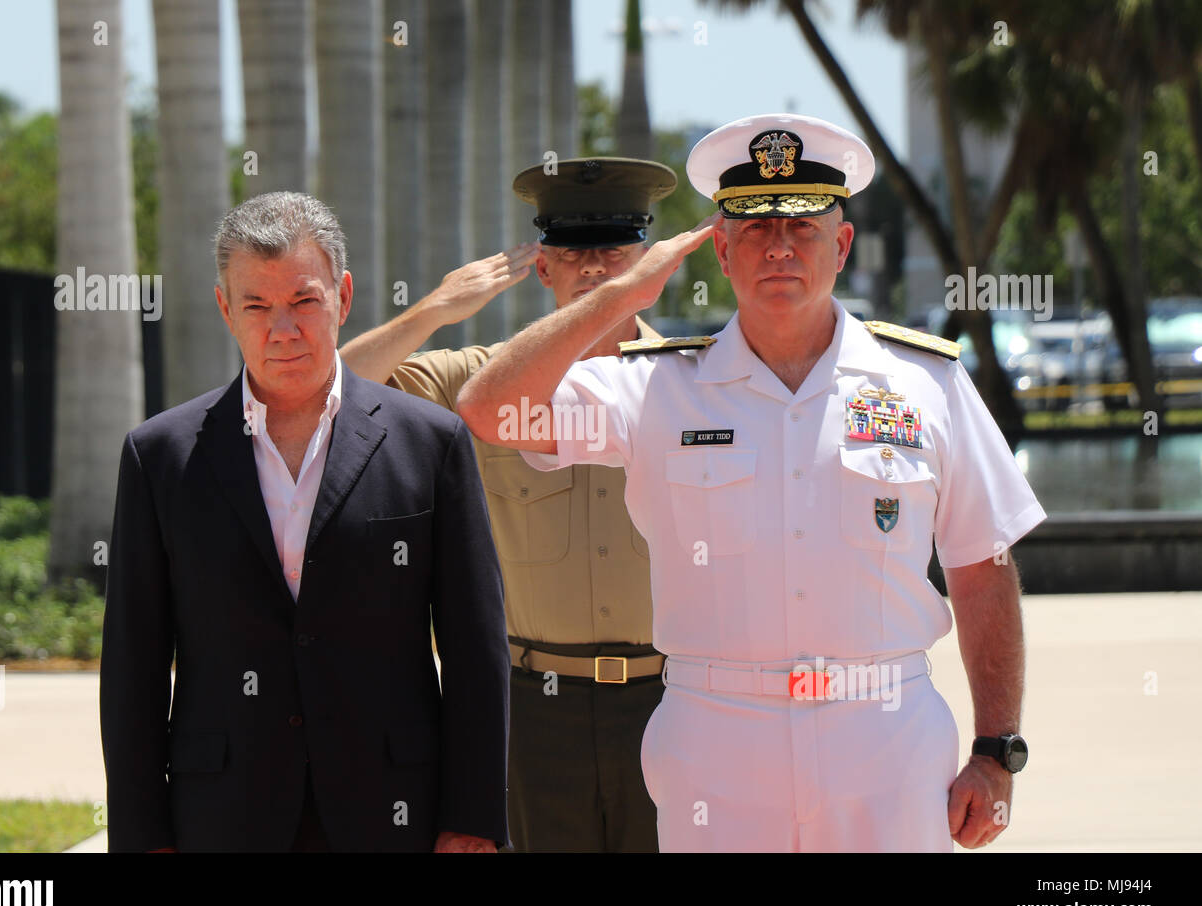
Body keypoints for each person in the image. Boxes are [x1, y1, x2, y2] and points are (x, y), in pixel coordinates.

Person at [457, 115, 1045, 852]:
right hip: (717, 748)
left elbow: (982, 568)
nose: (779, 247)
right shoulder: (658, 388)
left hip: (885, 740)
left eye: (802, 227)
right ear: (723, 251)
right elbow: (489, 411)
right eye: (756, 227)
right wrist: (616, 297)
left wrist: (997, 750)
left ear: (842, 244)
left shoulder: (926, 382)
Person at [99, 191, 509, 853]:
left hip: (396, 813)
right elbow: (132, 668)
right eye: (256, 305)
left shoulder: (432, 443)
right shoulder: (160, 456)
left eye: (304, 301)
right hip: (222, 820)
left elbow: (475, 647)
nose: (282, 330)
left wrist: (474, 818)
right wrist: (143, 836)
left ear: (343, 298)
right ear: (225, 308)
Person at [341, 157, 677, 852]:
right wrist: (436, 309)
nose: (594, 267)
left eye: (614, 248)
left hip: (673, 697)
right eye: (574, 251)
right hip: (535, 704)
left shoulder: (695, 379)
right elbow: (334, 391)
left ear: (646, 261)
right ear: (544, 268)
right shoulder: (482, 381)